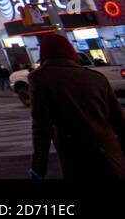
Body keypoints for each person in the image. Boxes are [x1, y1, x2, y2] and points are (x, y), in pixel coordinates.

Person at [29, 33, 125, 180]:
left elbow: (41, 127)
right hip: (108, 151)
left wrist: (38, 166)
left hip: (76, 153)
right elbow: (119, 120)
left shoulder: (40, 78)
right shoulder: (96, 77)